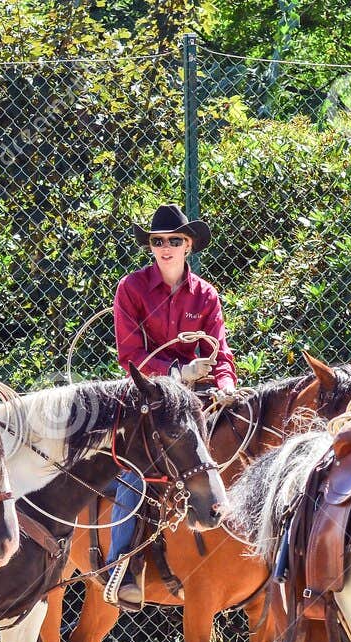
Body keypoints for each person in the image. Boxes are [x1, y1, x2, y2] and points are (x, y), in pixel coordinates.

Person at [105, 203, 238, 610]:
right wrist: (179, 372)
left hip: (195, 401)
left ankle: (243, 554)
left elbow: (221, 350)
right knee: (135, 471)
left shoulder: (206, 294)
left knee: (238, 443)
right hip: (146, 401)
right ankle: (122, 566)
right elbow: (130, 356)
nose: (166, 248)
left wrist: (227, 382)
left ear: (189, 245)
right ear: (151, 246)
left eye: (174, 241)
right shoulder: (131, 288)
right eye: (158, 241)